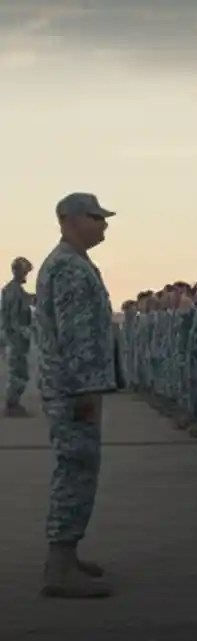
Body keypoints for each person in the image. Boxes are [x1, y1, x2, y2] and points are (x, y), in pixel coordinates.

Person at [34, 192, 120, 599]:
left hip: (72, 387)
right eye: (96, 217)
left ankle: (66, 555)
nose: (103, 224)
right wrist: (87, 390)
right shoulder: (68, 267)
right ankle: (60, 565)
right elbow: (76, 336)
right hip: (74, 390)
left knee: (78, 468)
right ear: (69, 220)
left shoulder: (75, 263)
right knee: (76, 468)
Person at [2, 256, 35, 416]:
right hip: (16, 339)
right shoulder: (13, 291)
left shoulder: (15, 290)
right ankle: (12, 405)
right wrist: (24, 333)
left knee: (19, 371)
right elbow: (13, 318)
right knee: (18, 372)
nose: (26, 275)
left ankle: (13, 404)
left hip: (16, 337)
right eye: (25, 272)